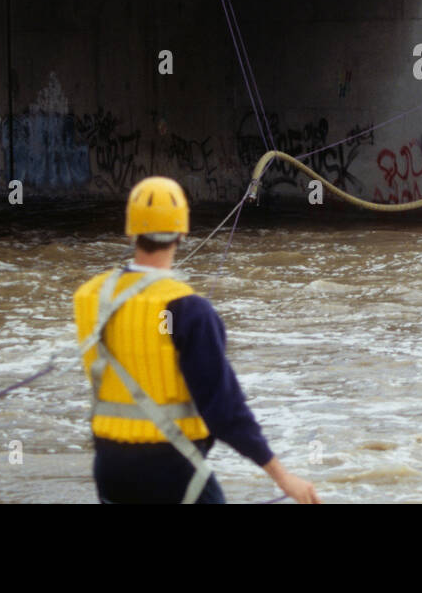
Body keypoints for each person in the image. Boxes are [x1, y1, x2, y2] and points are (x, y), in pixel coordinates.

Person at [73, 176, 321, 504]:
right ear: (182, 232)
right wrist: (283, 477)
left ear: (131, 230)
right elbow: (224, 410)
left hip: (109, 468)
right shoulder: (190, 310)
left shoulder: (89, 296)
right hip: (172, 471)